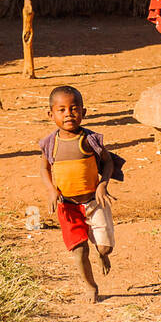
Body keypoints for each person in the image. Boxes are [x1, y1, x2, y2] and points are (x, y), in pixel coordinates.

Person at [38, 85, 125, 303]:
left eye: (74, 108)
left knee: (105, 247)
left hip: (94, 201)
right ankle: (91, 286)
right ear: (51, 114)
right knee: (79, 250)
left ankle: (103, 255)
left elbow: (107, 163)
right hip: (67, 205)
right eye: (62, 109)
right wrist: (51, 190)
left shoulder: (89, 140)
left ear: (84, 113)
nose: (69, 113)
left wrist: (103, 185)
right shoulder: (50, 144)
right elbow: (44, 168)